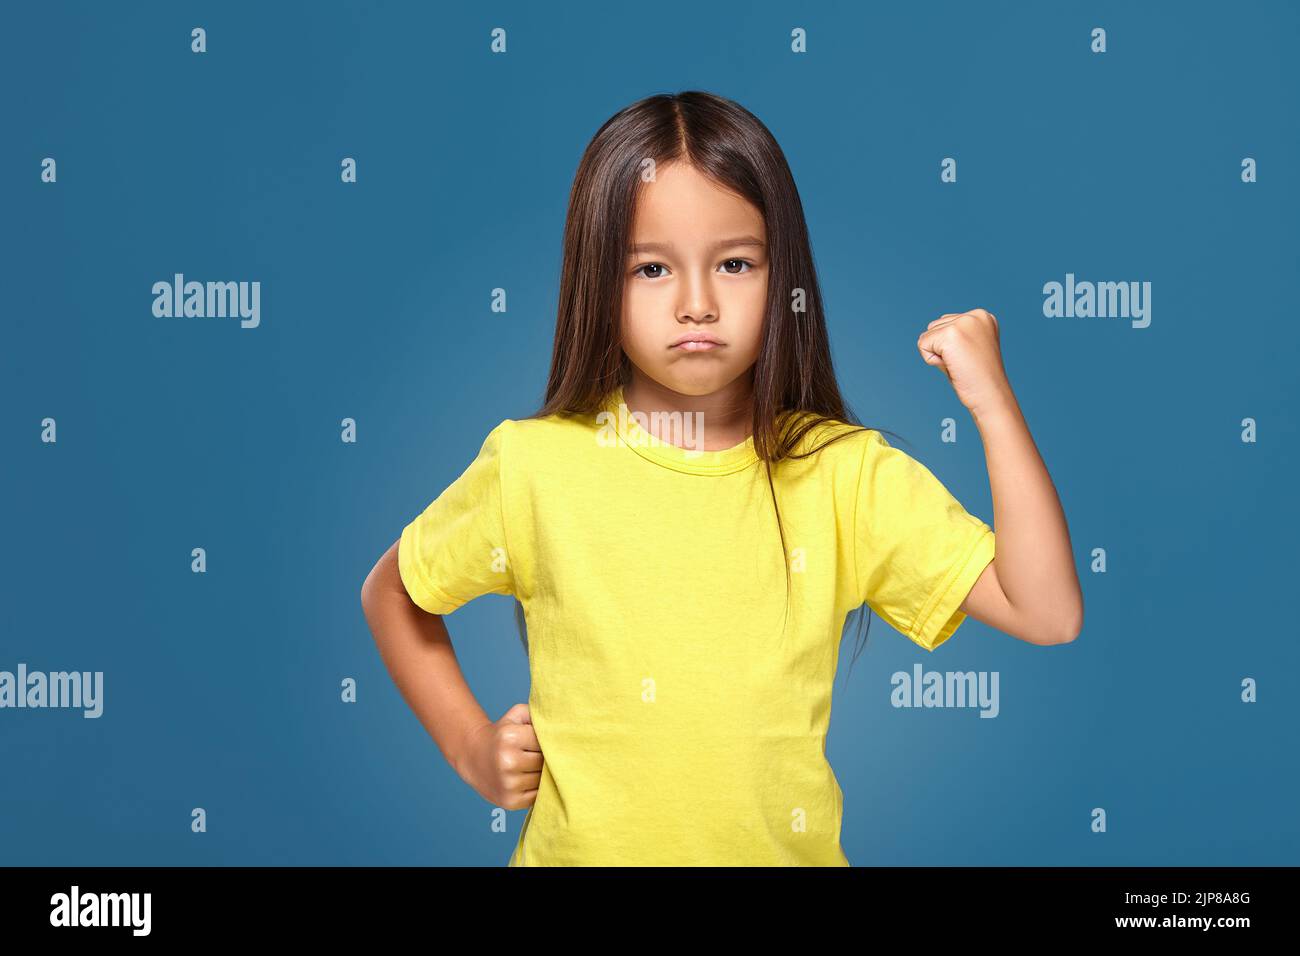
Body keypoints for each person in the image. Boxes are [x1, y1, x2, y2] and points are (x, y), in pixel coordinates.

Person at [360, 90, 1083, 867]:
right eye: (651, 268)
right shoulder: (536, 466)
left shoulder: (842, 474)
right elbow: (392, 592)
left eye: (734, 263)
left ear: (785, 277)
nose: (697, 304)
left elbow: (1046, 613)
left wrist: (992, 403)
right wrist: (470, 745)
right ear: (597, 281)